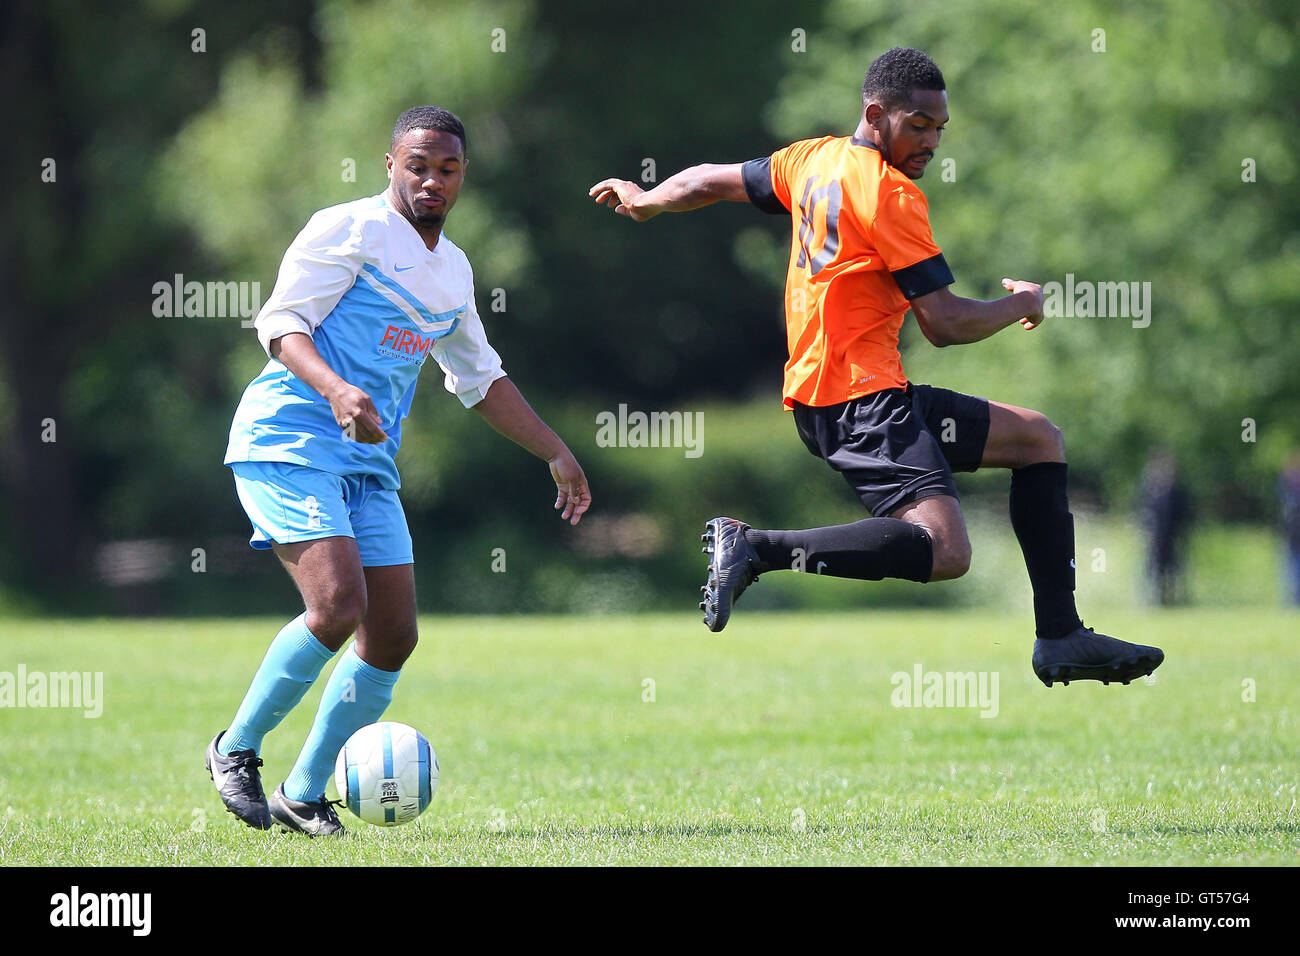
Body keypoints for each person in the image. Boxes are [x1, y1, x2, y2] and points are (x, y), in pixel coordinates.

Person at [589, 47, 1162, 688]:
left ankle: (1061, 635)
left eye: (940, 129)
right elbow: (943, 324)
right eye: (918, 125)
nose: (931, 141)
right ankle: (755, 546)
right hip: (858, 398)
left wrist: (650, 200)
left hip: (846, 391)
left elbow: (713, 181)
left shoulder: (811, 159)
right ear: (876, 113)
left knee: (1037, 439)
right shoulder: (890, 195)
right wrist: (1020, 304)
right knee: (946, 552)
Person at [210, 106, 591, 836]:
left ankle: (303, 792)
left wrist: (554, 450)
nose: (431, 181)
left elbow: (480, 380)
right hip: (289, 439)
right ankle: (236, 748)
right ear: (389, 164)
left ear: (462, 177)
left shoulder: (451, 272)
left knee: (393, 634)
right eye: (417, 166)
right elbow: (279, 325)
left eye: (446, 169)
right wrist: (338, 390)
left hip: (367, 465)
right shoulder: (348, 230)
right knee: (337, 604)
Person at [1138, 448, 1192, 605]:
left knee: (1173, 570)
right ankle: (1152, 599)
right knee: (1152, 569)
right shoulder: (1150, 491)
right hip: (1154, 537)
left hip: (1172, 537)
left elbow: (1184, 515)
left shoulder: (1177, 491)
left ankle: (1171, 599)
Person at [1280, 451, 1300, 605]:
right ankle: (1293, 599)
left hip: (1291, 531)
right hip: (1292, 532)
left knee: (1291, 565)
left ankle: (1292, 599)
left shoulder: (1286, 482)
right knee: (1292, 565)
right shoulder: (1286, 483)